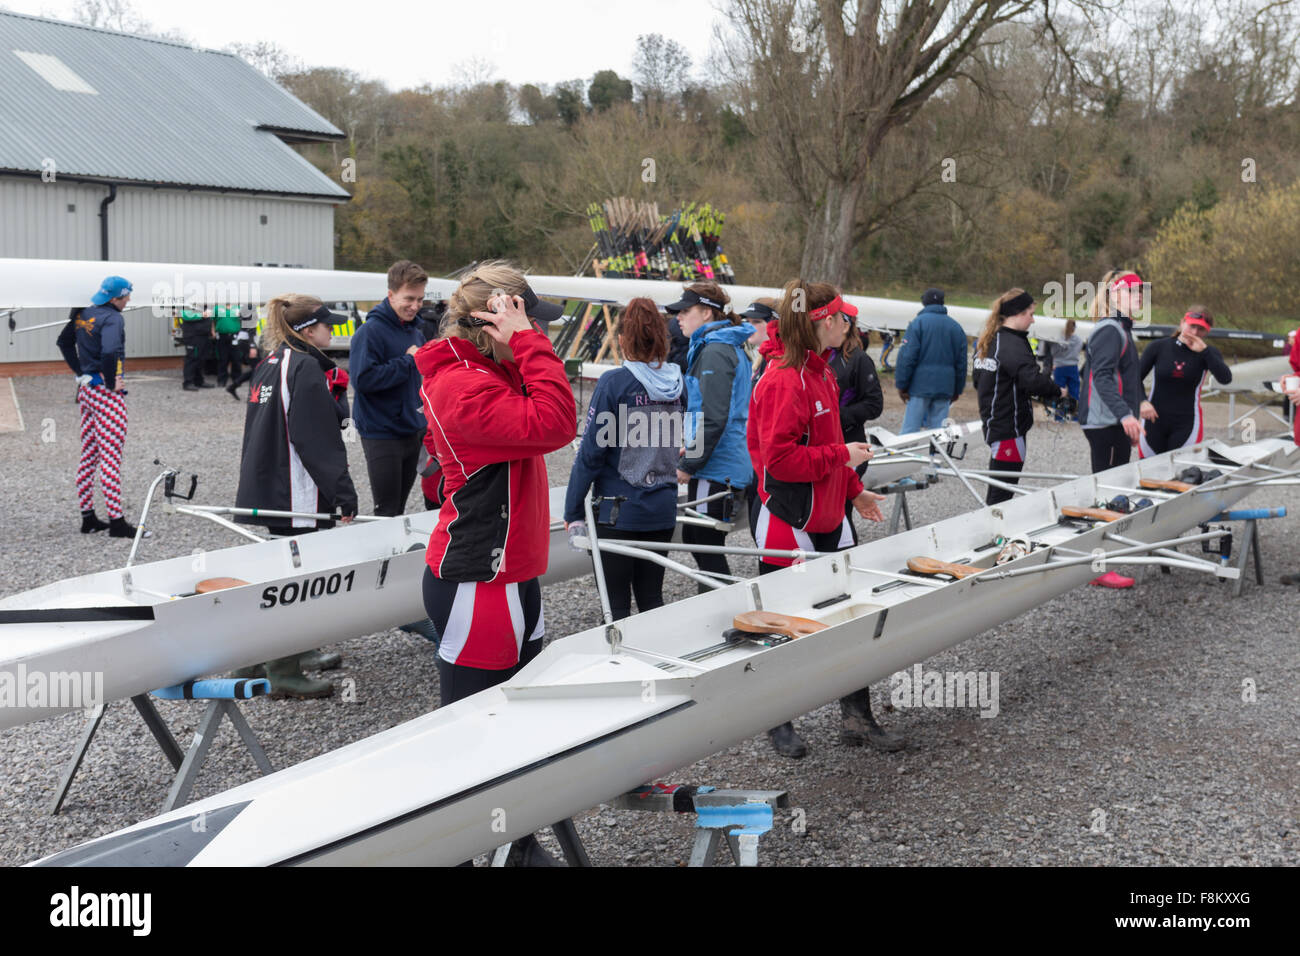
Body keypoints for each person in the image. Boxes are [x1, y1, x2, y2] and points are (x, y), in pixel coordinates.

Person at [415, 261, 574, 866]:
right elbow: (557, 422)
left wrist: (523, 343)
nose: (542, 334)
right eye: (532, 320)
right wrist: (529, 343)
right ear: (493, 324)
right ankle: (455, 849)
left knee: (513, 722)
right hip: (479, 578)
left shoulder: (482, 369)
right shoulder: (461, 385)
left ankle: (515, 842)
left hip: (510, 574)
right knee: (468, 731)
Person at [748, 279, 896, 758]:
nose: (847, 324)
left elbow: (828, 444)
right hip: (788, 518)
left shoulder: (823, 371)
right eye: (841, 317)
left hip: (830, 513)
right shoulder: (782, 378)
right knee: (783, 624)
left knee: (850, 616)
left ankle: (856, 714)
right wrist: (841, 458)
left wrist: (855, 490)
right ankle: (776, 717)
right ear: (821, 322)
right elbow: (781, 462)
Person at [235, 294, 359, 698]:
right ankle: (281, 669)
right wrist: (342, 493)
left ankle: (286, 652)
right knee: (294, 583)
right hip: (296, 490)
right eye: (328, 325)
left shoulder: (271, 363)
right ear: (308, 330)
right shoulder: (303, 366)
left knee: (286, 574)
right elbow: (315, 439)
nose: (334, 330)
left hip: (270, 485)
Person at [565, 298, 684, 620]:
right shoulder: (679, 383)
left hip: (618, 511)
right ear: (662, 337)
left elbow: (591, 453)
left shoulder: (614, 383)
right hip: (661, 507)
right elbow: (687, 443)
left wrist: (572, 509)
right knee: (650, 598)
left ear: (622, 340)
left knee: (615, 605)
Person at [669, 282, 755, 588]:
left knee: (705, 544)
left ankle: (722, 610)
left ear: (706, 313)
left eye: (685, 311)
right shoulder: (721, 344)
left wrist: (688, 463)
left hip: (718, 466)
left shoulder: (716, 350)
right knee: (697, 539)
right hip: (719, 460)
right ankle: (719, 607)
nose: (678, 317)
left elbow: (714, 417)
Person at [1078, 270, 1147, 589]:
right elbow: (1100, 377)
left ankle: (1100, 562)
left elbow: (1121, 378)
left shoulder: (1120, 329)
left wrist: (1134, 410)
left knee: (1113, 491)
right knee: (1104, 494)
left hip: (1114, 421)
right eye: (1132, 292)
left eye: (1140, 292)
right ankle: (1096, 567)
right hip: (1106, 422)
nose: (1139, 297)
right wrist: (1124, 415)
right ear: (1115, 296)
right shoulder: (1110, 329)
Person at [972, 289, 1067, 505]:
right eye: (1030, 314)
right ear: (1017, 313)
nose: (1033, 320)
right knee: (1001, 494)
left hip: (994, 422)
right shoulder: (1011, 344)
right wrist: (1057, 391)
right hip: (1009, 428)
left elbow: (978, 380)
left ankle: (995, 529)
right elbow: (1032, 380)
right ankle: (994, 534)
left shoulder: (989, 340)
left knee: (1000, 486)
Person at [351, 260, 430, 516]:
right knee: (386, 510)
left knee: (399, 508)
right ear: (391, 294)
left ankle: (395, 554)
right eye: (409, 298)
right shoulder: (370, 332)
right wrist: (408, 362)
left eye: (420, 299)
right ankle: (383, 556)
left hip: (412, 429)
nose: (415, 306)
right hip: (382, 433)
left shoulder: (415, 330)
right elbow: (363, 381)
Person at [73, 276, 143, 537]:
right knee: (111, 456)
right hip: (105, 393)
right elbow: (110, 351)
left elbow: (63, 342)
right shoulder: (113, 318)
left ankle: (88, 517)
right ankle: (117, 522)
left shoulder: (83, 312)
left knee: (89, 454)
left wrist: (80, 372)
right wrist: (112, 381)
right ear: (115, 298)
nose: (129, 301)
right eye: (126, 297)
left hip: (87, 389)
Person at [1137, 307, 1232, 457]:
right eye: (1191, 326)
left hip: (1187, 424)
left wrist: (1205, 352)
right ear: (1182, 323)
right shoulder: (1158, 347)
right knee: (1148, 474)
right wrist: (1142, 401)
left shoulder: (1208, 353)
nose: (1194, 332)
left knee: (1182, 475)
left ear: (1207, 332)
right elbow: (1134, 379)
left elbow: (1226, 379)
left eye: (1200, 329)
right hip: (1153, 421)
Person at [894, 287, 968, 433]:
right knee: (938, 432)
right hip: (945, 387)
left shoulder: (917, 324)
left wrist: (902, 385)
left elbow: (907, 357)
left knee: (910, 430)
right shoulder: (956, 327)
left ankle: (908, 454)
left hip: (919, 387)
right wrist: (957, 389)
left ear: (924, 303)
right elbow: (961, 363)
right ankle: (935, 455)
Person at [1041, 319, 1083, 422]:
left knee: (1059, 392)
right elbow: (1079, 350)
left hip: (1059, 367)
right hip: (1073, 366)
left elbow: (1053, 352)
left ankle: (1059, 416)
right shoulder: (1078, 340)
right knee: (1074, 391)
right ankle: (1075, 416)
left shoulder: (1057, 340)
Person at [179, 305, 215, 391]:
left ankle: (199, 381)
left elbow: (210, 318)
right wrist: (202, 315)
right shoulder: (187, 304)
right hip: (193, 336)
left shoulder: (203, 305)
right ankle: (188, 383)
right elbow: (186, 315)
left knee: (201, 359)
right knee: (192, 359)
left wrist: (212, 330)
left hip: (203, 336)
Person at [213, 302, 243, 389]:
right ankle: (222, 380)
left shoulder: (238, 307)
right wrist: (213, 331)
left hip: (236, 336)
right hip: (222, 336)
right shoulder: (217, 308)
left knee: (236, 359)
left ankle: (237, 380)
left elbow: (244, 321)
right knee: (223, 359)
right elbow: (212, 320)